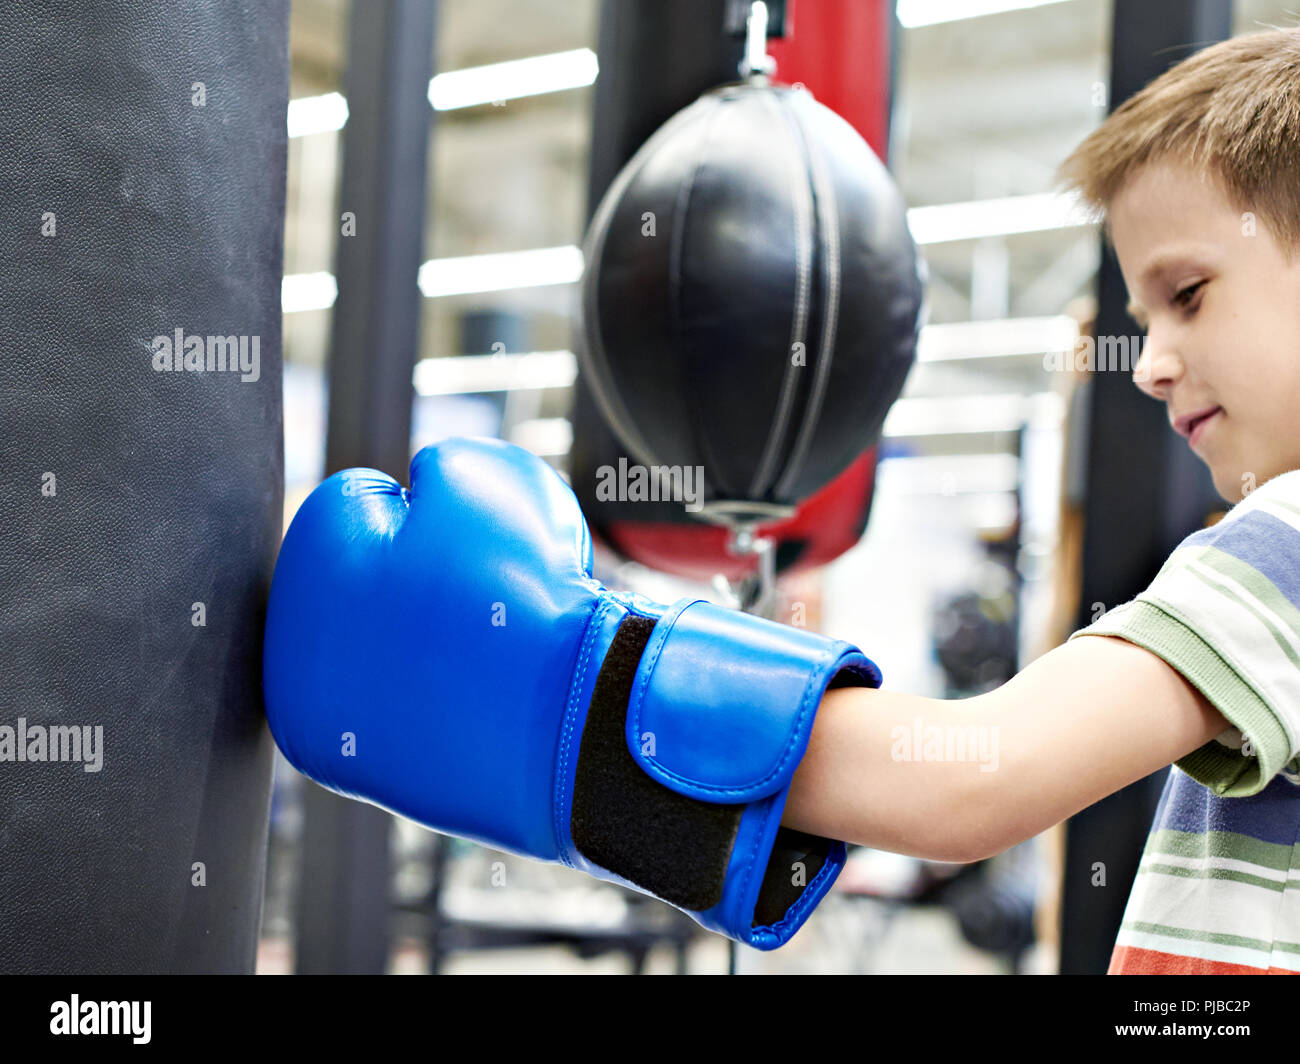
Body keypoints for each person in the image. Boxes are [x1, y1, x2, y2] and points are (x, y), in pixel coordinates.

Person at [784, 26, 1300, 974]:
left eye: (1187, 293)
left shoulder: (1288, 536)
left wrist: (605, 683)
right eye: (1142, 321)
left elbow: (972, 779)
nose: (1146, 367)